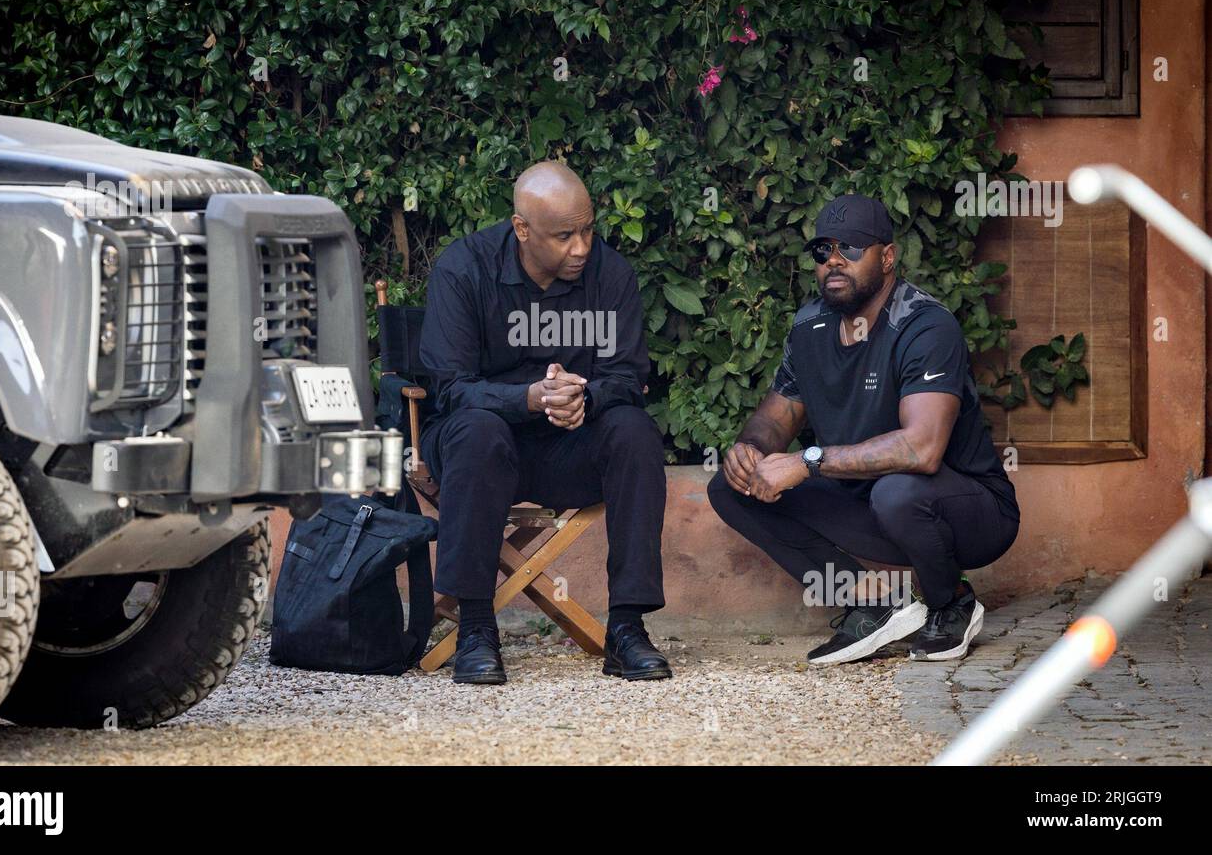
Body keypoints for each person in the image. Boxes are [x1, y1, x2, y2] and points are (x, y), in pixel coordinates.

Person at [708, 193, 1020, 666]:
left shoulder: (924, 326)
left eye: (850, 248)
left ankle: (951, 600)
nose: (834, 260)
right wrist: (749, 452)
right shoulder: (810, 326)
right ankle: (874, 601)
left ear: (888, 256)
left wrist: (807, 462)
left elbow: (922, 449)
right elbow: (777, 416)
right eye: (822, 250)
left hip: (970, 512)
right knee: (732, 488)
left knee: (897, 491)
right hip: (866, 501)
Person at [419, 160, 671, 685]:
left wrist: (587, 398)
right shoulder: (464, 269)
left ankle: (627, 627)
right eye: (564, 236)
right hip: (481, 452)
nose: (580, 247)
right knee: (477, 430)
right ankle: (475, 627)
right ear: (521, 229)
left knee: (635, 432)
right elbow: (448, 387)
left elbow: (629, 377)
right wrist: (528, 398)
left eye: (587, 229)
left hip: (568, 449)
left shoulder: (610, 273)